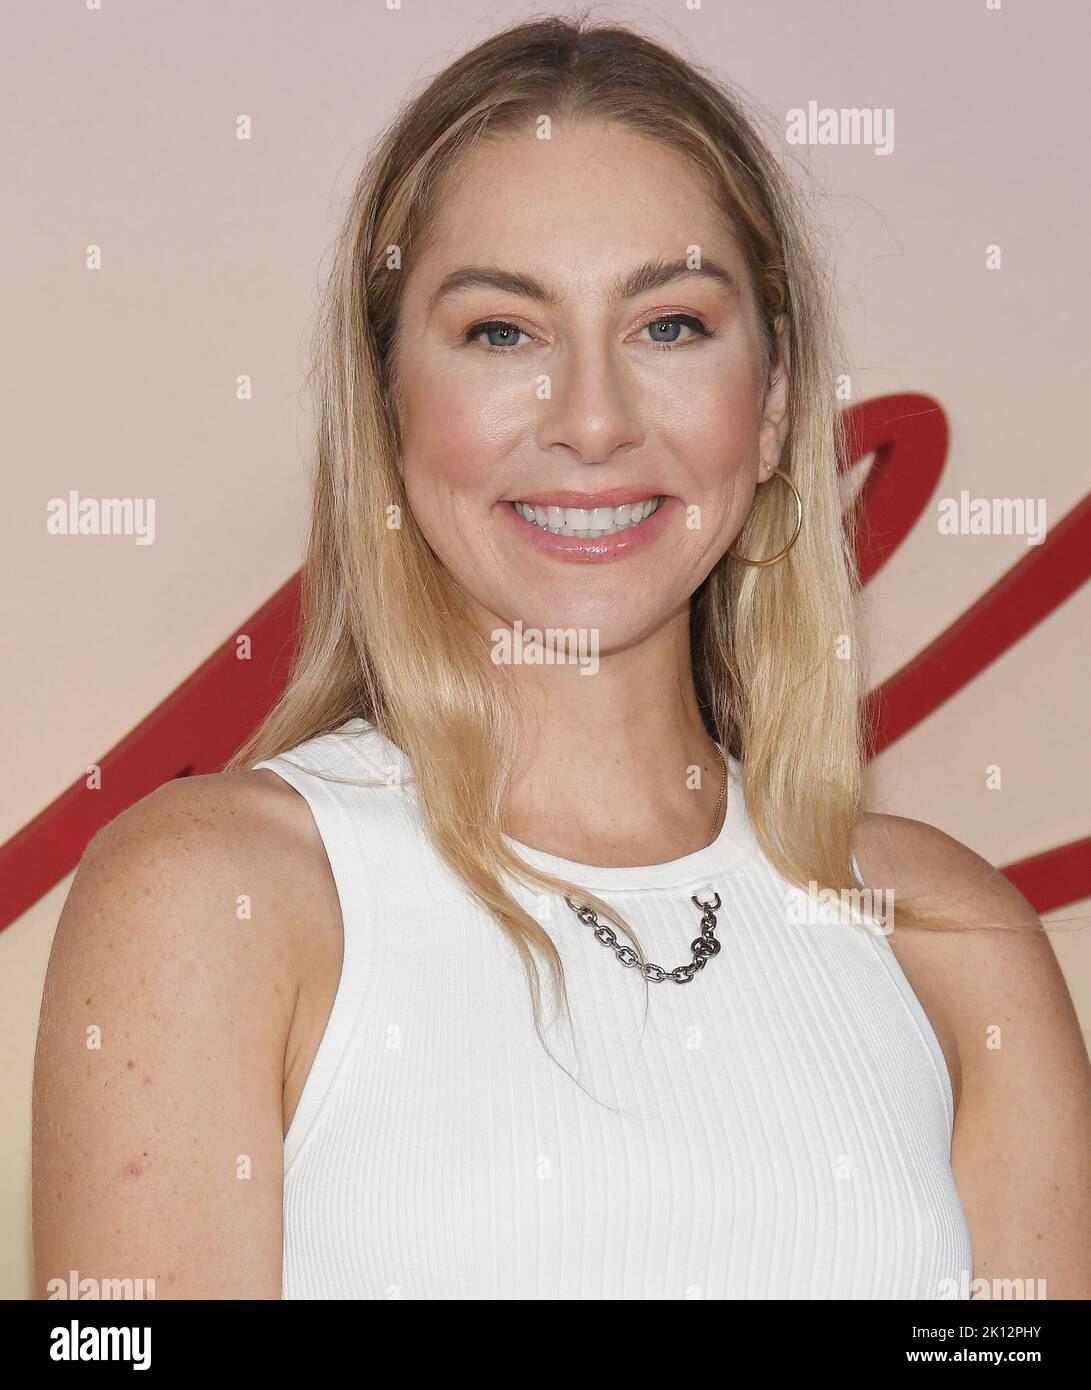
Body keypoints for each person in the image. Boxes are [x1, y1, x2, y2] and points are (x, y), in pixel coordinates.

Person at [32, 15, 1091, 1301]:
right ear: (387, 404)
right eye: (501, 332)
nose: (591, 421)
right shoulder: (214, 893)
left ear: (770, 405)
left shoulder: (952, 939)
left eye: (669, 325)